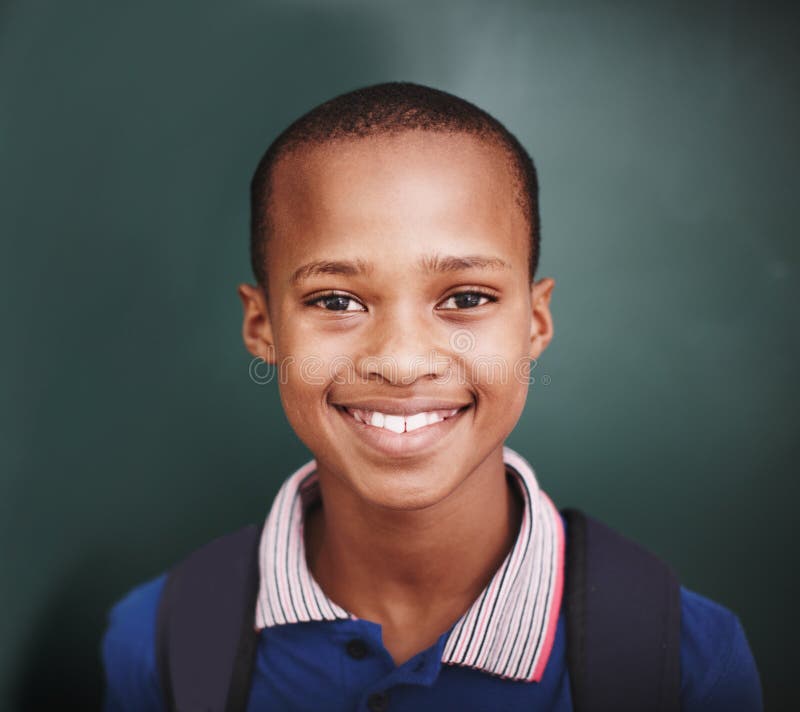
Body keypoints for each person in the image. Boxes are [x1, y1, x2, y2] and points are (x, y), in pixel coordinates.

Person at [101, 82, 762, 711]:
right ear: (262, 326)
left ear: (535, 323)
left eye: (466, 299)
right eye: (336, 300)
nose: (402, 361)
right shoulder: (159, 642)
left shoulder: (684, 662)